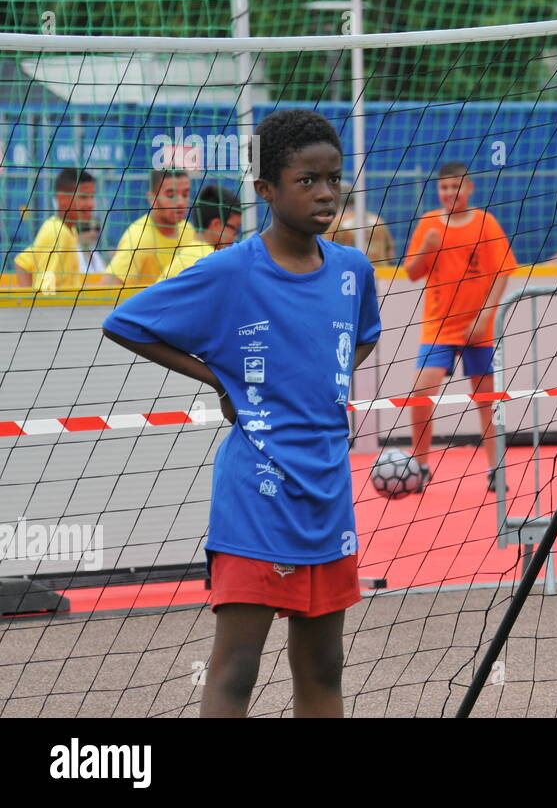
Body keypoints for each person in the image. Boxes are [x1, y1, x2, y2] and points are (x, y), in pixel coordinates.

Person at [101, 109, 381, 718]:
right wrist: (222, 376)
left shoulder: (353, 271)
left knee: (324, 668)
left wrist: (317, 379)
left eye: (334, 178)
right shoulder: (230, 270)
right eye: (307, 180)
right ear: (266, 190)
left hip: (327, 491)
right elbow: (124, 322)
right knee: (237, 669)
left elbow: (361, 338)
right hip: (255, 497)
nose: (327, 192)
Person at [404, 161, 517, 492]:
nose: (450, 193)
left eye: (456, 187)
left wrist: (486, 315)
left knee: (487, 400)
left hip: (478, 328)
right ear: (438, 191)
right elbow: (412, 272)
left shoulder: (485, 223)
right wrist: (426, 248)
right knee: (420, 394)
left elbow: (503, 271)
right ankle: (421, 466)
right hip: (438, 327)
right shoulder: (428, 223)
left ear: (469, 189)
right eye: (444, 188)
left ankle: (496, 470)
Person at [106, 166, 211, 285]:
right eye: (171, 195)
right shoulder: (138, 239)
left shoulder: (188, 229)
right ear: (152, 198)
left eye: (185, 194)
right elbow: (106, 290)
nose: (181, 202)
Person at [14, 167, 98, 293]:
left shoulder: (65, 229)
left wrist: (25, 300)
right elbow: (46, 292)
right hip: (59, 311)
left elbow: (22, 262)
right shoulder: (58, 234)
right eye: (84, 197)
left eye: (92, 197)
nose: (91, 204)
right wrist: (29, 307)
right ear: (62, 198)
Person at [327, 186, 395, 266]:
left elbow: (328, 254)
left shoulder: (335, 223)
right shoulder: (378, 220)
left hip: (351, 273)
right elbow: (390, 253)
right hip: (381, 272)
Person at [192, 183, 243, 250]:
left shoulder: (183, 251)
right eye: (235, 228)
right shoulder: (214, 258)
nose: (236, 236)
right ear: (216, 225)